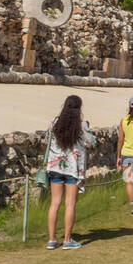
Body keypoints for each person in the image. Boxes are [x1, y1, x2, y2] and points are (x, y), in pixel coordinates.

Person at [45, 95, 95, 250]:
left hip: (55, 167)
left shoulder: (55, 122)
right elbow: (90, 143)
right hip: (73, 169)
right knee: (70, 204)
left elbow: (47, 139)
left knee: (54, 203)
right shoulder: (81, 126)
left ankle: (52, 239)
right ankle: (67, 240)